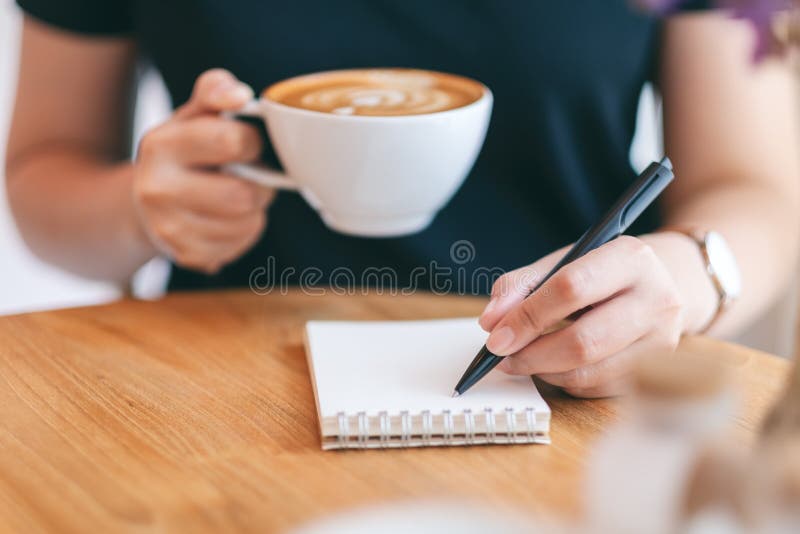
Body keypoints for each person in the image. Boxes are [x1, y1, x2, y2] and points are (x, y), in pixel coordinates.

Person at [5, 1, 799, 398]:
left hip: (563, 386)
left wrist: (690, 273)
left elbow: (755, 189)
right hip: (220, 390)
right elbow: (45, 170)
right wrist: (140, 208)